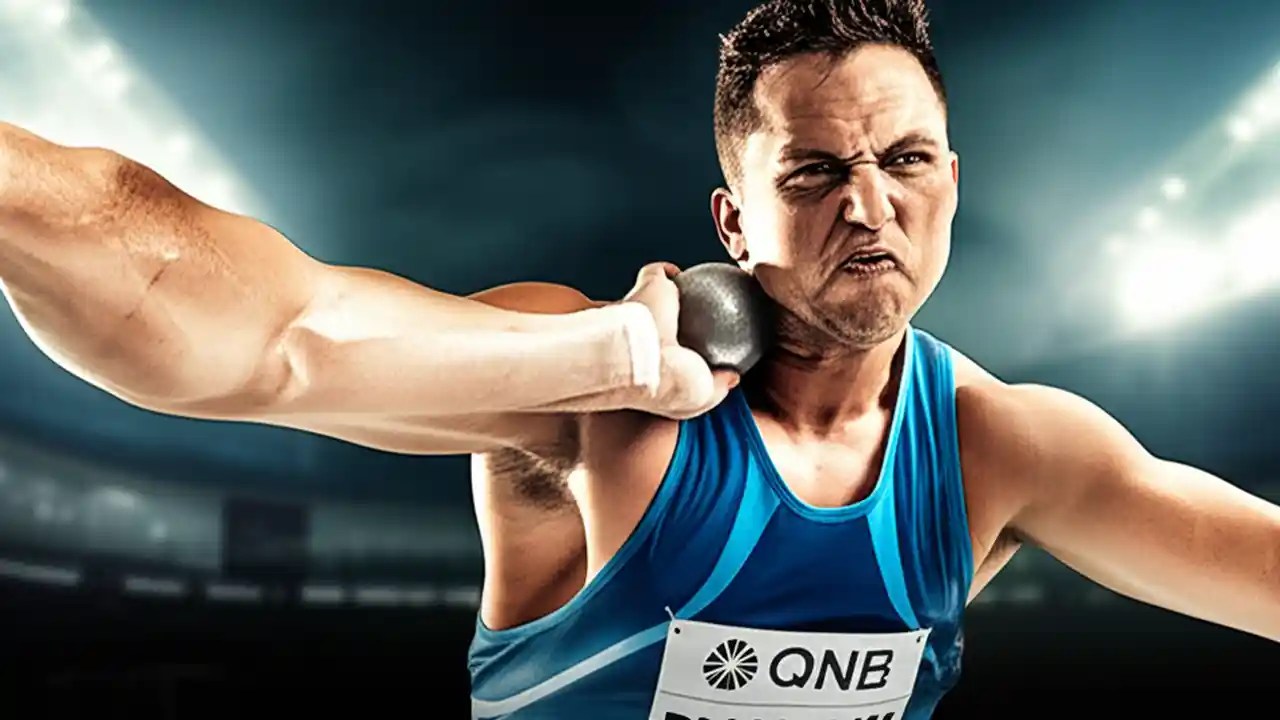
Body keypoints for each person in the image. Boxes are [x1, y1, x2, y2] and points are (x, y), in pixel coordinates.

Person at [0, 0, 1276, 717]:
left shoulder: (1004, 447)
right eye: (815, 171)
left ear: (948, 184)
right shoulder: (589, 394)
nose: (868, 206)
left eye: (902, 163)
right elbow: (267, 339)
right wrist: (600, 355)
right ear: (733, 221)